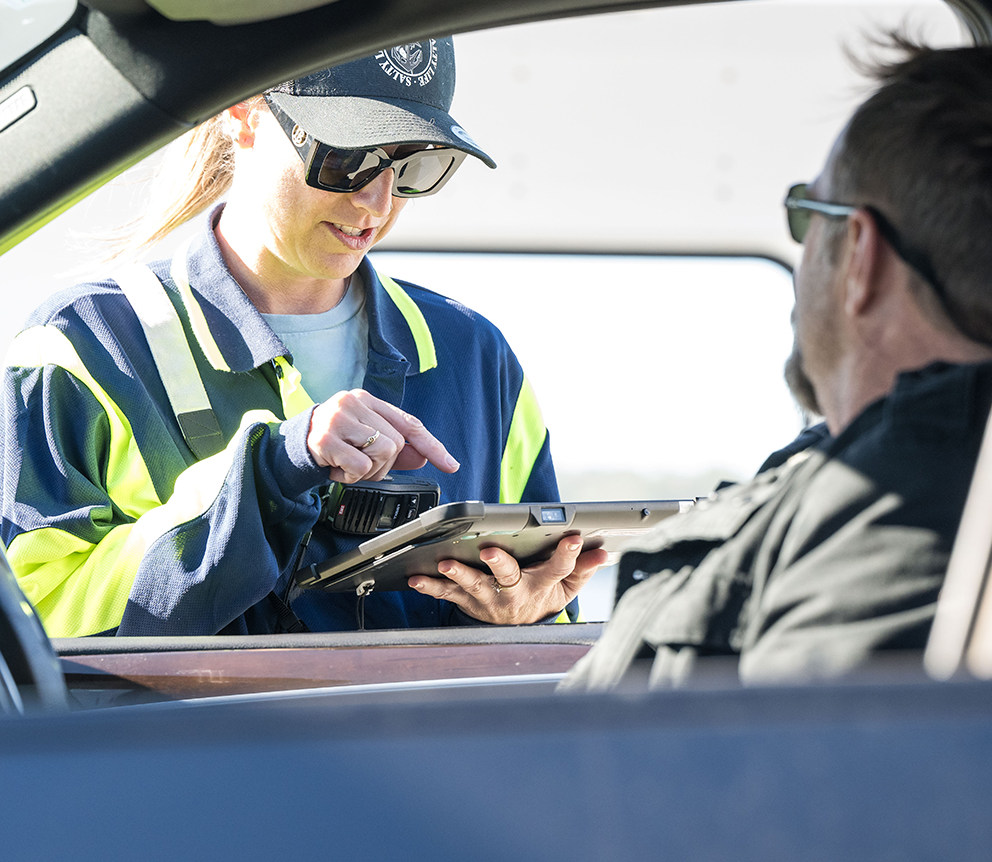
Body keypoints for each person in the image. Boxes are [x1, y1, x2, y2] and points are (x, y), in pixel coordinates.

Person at [1, 37, 605, 637]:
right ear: (241, 116)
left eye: (413, 166)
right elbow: (34, 620)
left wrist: (531, 611)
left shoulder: (475, 353)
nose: (378, 202)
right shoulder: (79, 346)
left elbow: (550, 612)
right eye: (347, 158)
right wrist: (271, 471)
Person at [562, 36, 992, 690]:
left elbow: (791, 777)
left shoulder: (903, 512)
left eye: (809, 215)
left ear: (860, 253)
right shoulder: (881, 475)